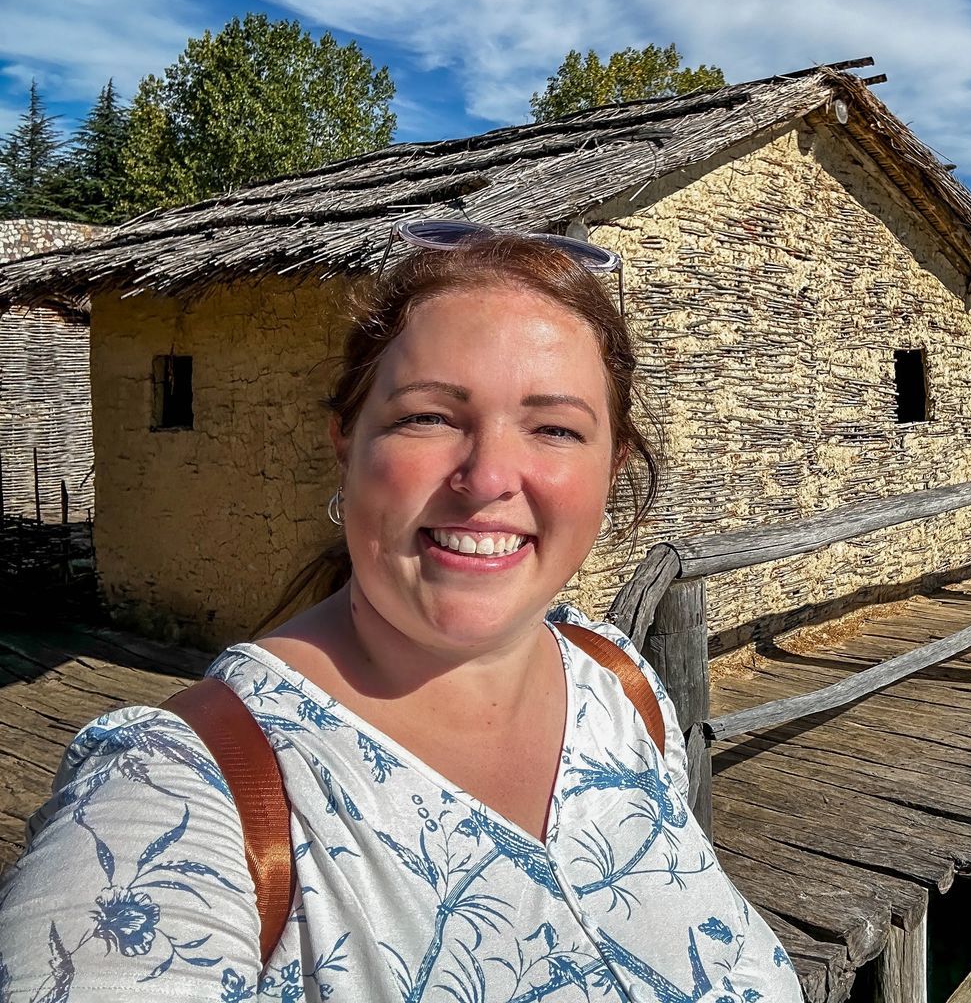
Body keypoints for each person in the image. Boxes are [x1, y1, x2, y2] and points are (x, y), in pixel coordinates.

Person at [0, 228, 802, 1002]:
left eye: (555, 428)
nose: (488, 476)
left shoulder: (620, 689)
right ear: (346, 441)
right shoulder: (172, 797)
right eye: (428, 417)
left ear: (612, 467)